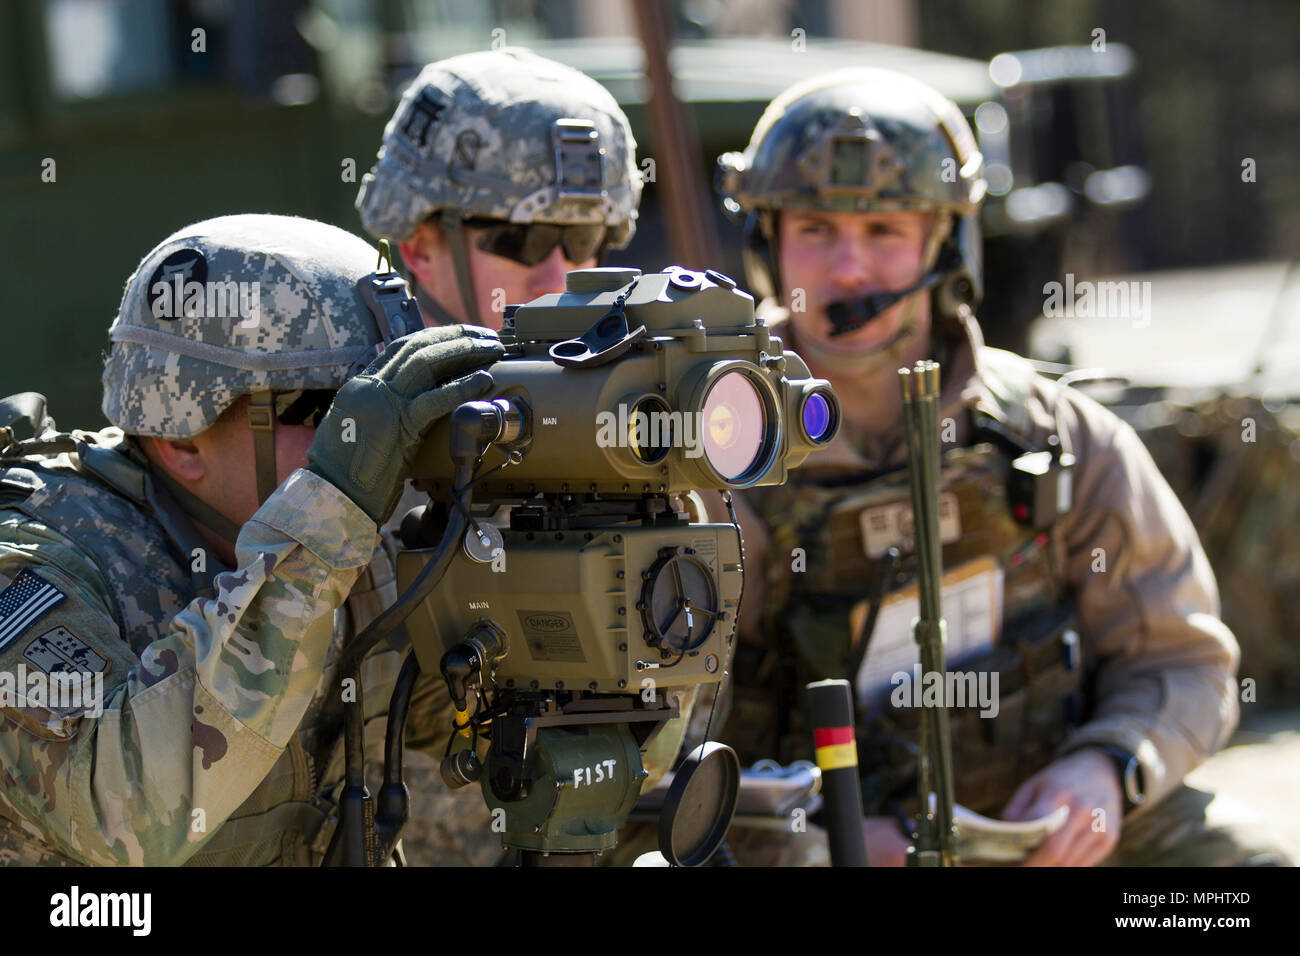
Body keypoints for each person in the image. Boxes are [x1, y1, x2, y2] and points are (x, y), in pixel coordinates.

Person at [711, 67, 1287, 866]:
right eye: (814, 228)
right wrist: (809, 843)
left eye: (884, 232)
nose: (847, 269)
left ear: (945, 247)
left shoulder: (1053, 433)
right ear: (768, 244)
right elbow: (657, 766)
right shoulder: (715, 463)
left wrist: (1107, 769)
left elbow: (1182, 658)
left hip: (1047, 829)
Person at [0, 214, 502, 865]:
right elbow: (120, 814)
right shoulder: (35, 559)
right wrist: (329, 514)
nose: (377, 444)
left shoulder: (343, 552)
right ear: (182, 437)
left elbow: (497, 732)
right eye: (334, 412)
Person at [355, 48, 700, 866]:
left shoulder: (639, 439)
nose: (558, 276)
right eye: (519, 238)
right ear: (418, 243)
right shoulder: (337, 440)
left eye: (585, 239)